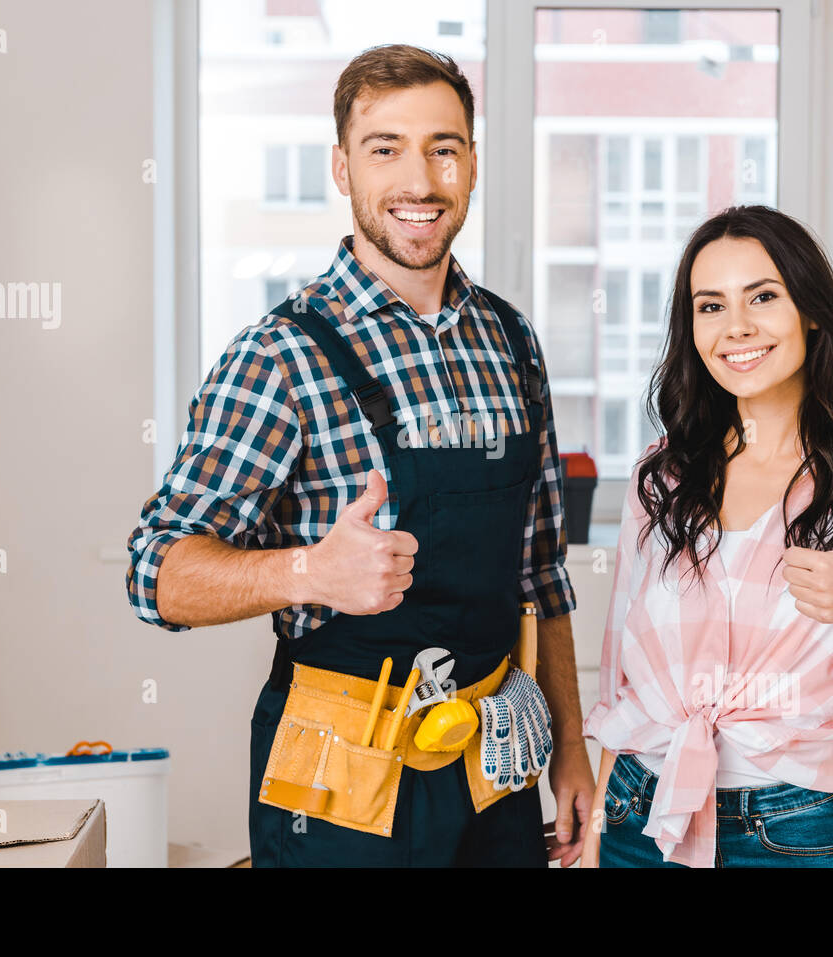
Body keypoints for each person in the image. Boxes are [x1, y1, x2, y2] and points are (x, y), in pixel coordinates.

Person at [126, 43, 594, 867]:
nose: (419, 181)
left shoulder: (511, 340)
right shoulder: (279, 356)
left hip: (495, 770)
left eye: (442, 147)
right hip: (342, 786)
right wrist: (308, 572)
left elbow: (541, 572)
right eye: (386, 149)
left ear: (473, 164)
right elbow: (155, 571)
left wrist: (571, 747)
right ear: (342, 168)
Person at [580, 205, 833, 868]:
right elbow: (623, 682)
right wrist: (594, 834)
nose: (737, 327)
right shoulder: (662, 475)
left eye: (763, 296)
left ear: (810, 310)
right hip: (638, 816)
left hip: (789, 831)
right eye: (710, 305)